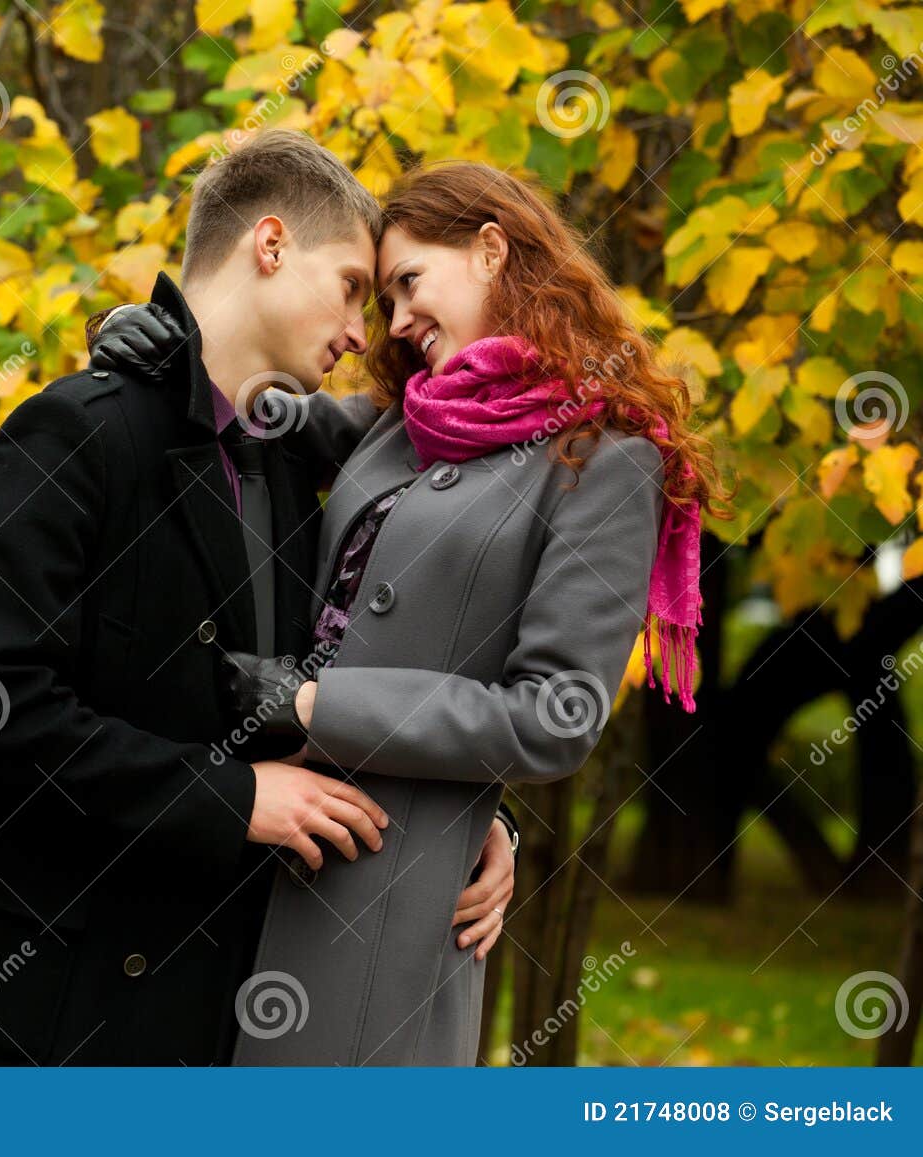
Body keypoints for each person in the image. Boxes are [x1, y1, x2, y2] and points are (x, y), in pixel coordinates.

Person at [0, 131, 518, 1067]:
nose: (359, 333)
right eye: (348, 288)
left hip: (196, 1013)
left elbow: (355, 680)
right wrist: (231, 795)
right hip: (27, 1011)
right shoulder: (70, 432)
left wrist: (480, 822)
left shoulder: (293, 466)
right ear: (269, 245)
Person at [90, 158, 725, 1065]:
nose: (396, 322)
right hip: (250, 854)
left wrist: (316, 709)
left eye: (408, 284)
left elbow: (555, 715)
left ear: (492, 251)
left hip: (386, 901)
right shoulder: (409, 420)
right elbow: (254, 392)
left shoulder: (605, 460)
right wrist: (148, 336)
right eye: (381, 297)